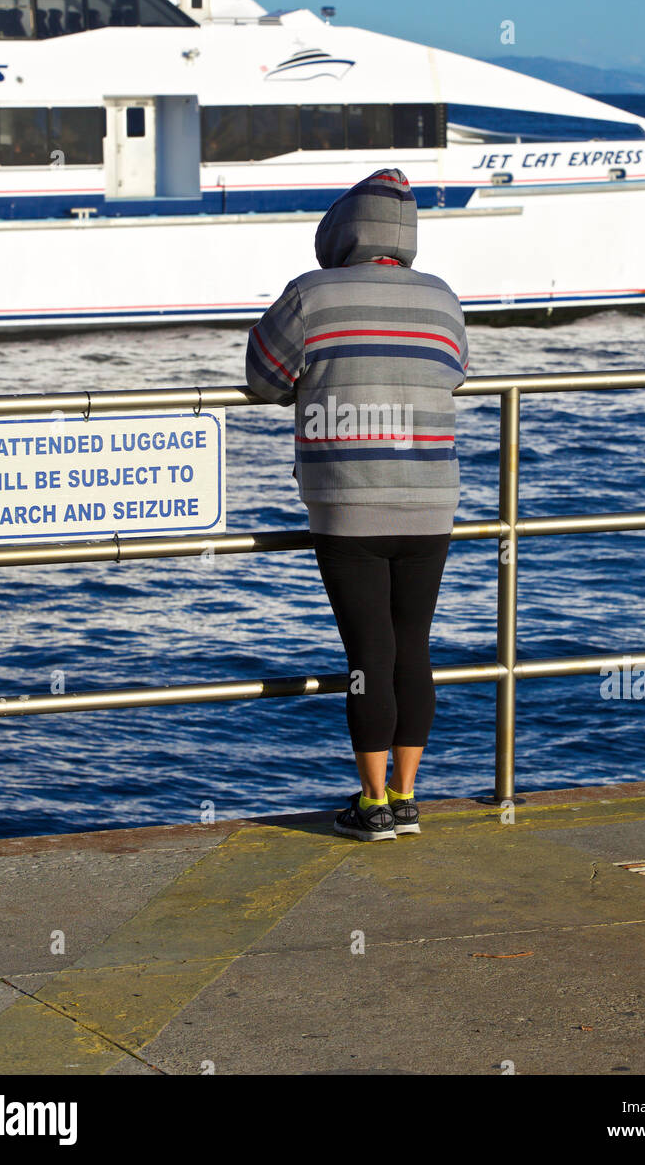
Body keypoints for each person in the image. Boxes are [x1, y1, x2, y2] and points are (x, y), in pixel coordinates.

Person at [245, 168, 469, 841]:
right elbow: (455, 373)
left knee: (368, 652)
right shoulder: (442, 298)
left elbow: (262, 380)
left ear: (341, 230)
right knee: (412, 649)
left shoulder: (313, 294)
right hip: (430, 498)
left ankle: (370, 807)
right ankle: (404, 796)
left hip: (348, 502)